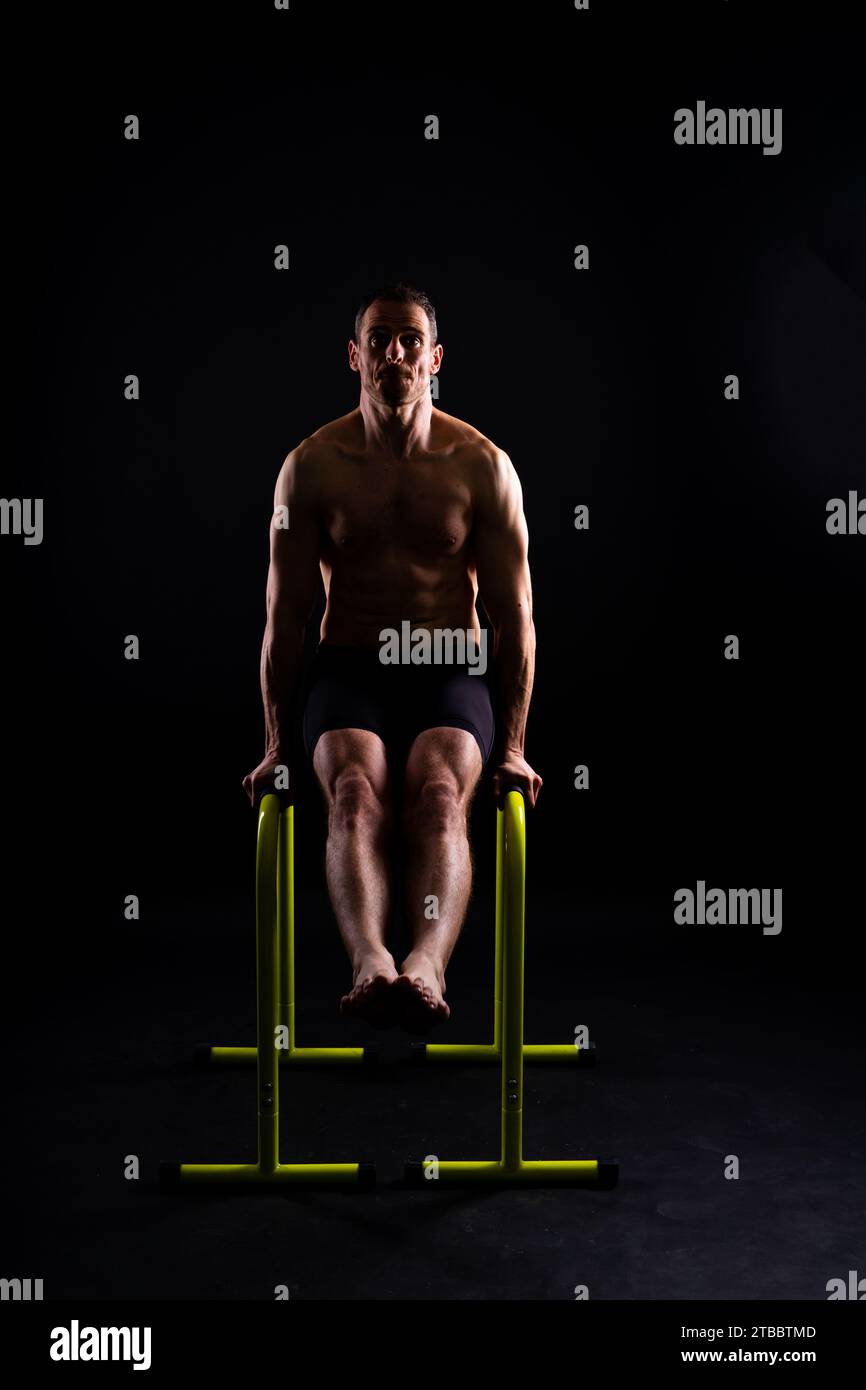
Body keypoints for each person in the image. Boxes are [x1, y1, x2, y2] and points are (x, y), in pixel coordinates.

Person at [243, 282, 542, 1032]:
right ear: (355, 356)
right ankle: (372, 962)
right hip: (351, 668)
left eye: (411, 340)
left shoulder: (482, 466)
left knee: (440, 795)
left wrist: (513, 746)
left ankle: (427, 966)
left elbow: (514, 619)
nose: (395, 353)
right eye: (379, 339)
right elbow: (285, 619)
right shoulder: (312, 466)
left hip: (448, 667)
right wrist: (276, 745)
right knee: (353, 793)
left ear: (435, 358)